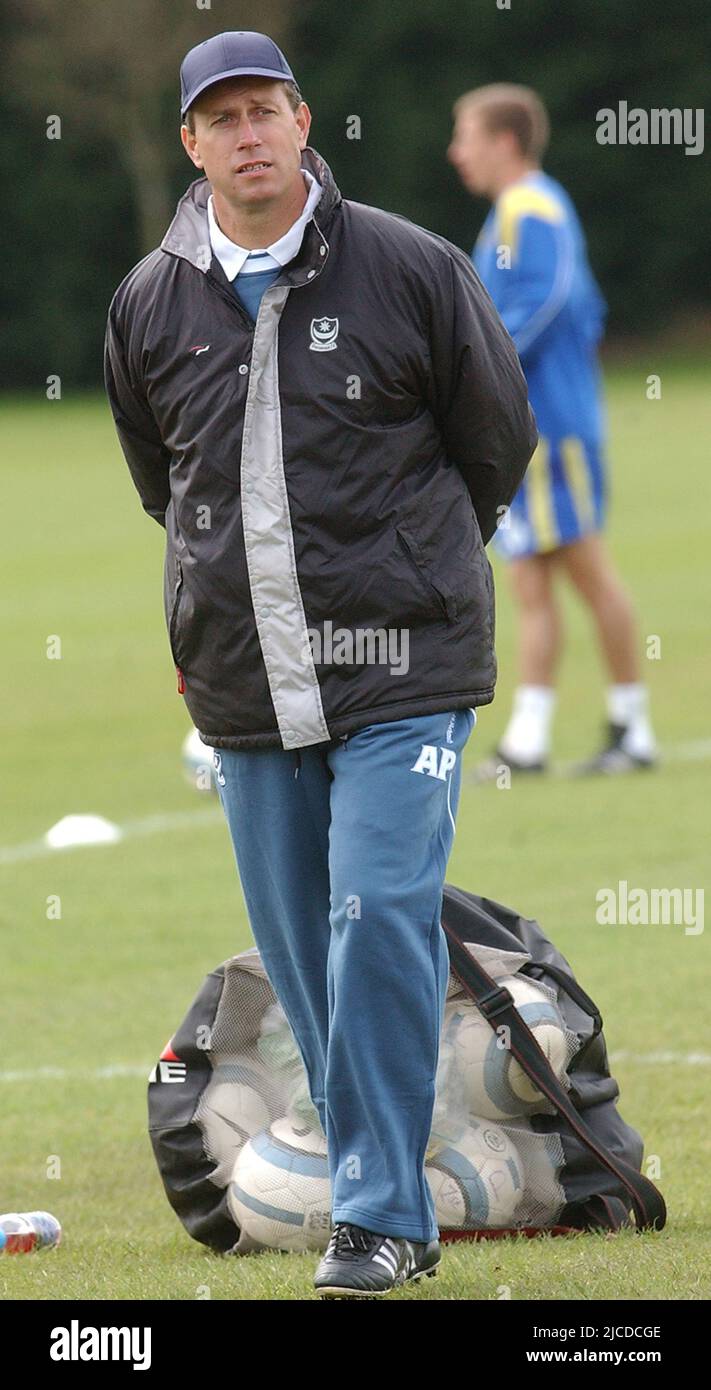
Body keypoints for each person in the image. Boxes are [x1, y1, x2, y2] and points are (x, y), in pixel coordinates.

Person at [103, 31, 537, 1298]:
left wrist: (417, 575)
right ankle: (376, 1175)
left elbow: (493, 444)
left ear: (302, 121)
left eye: (264, 110)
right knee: (300, 954)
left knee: (379, 916)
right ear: (192, 144)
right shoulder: (146, 301)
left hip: (405, 667)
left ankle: (383, 1216)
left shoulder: (409, 265)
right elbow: (164, 482)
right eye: (219, 118)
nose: (246, 133)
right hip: (246, 679)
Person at [447, 84, 658, 778]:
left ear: (504, 142)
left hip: (552, 425)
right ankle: (528, 743)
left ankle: (632, 729)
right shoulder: (521, 209)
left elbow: (552, 297)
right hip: (536, 423)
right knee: (532, 584)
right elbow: (585, 307)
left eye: (466, 136)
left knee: (589, 574)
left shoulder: (528, 207)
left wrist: (483, 366)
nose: (456, 152)